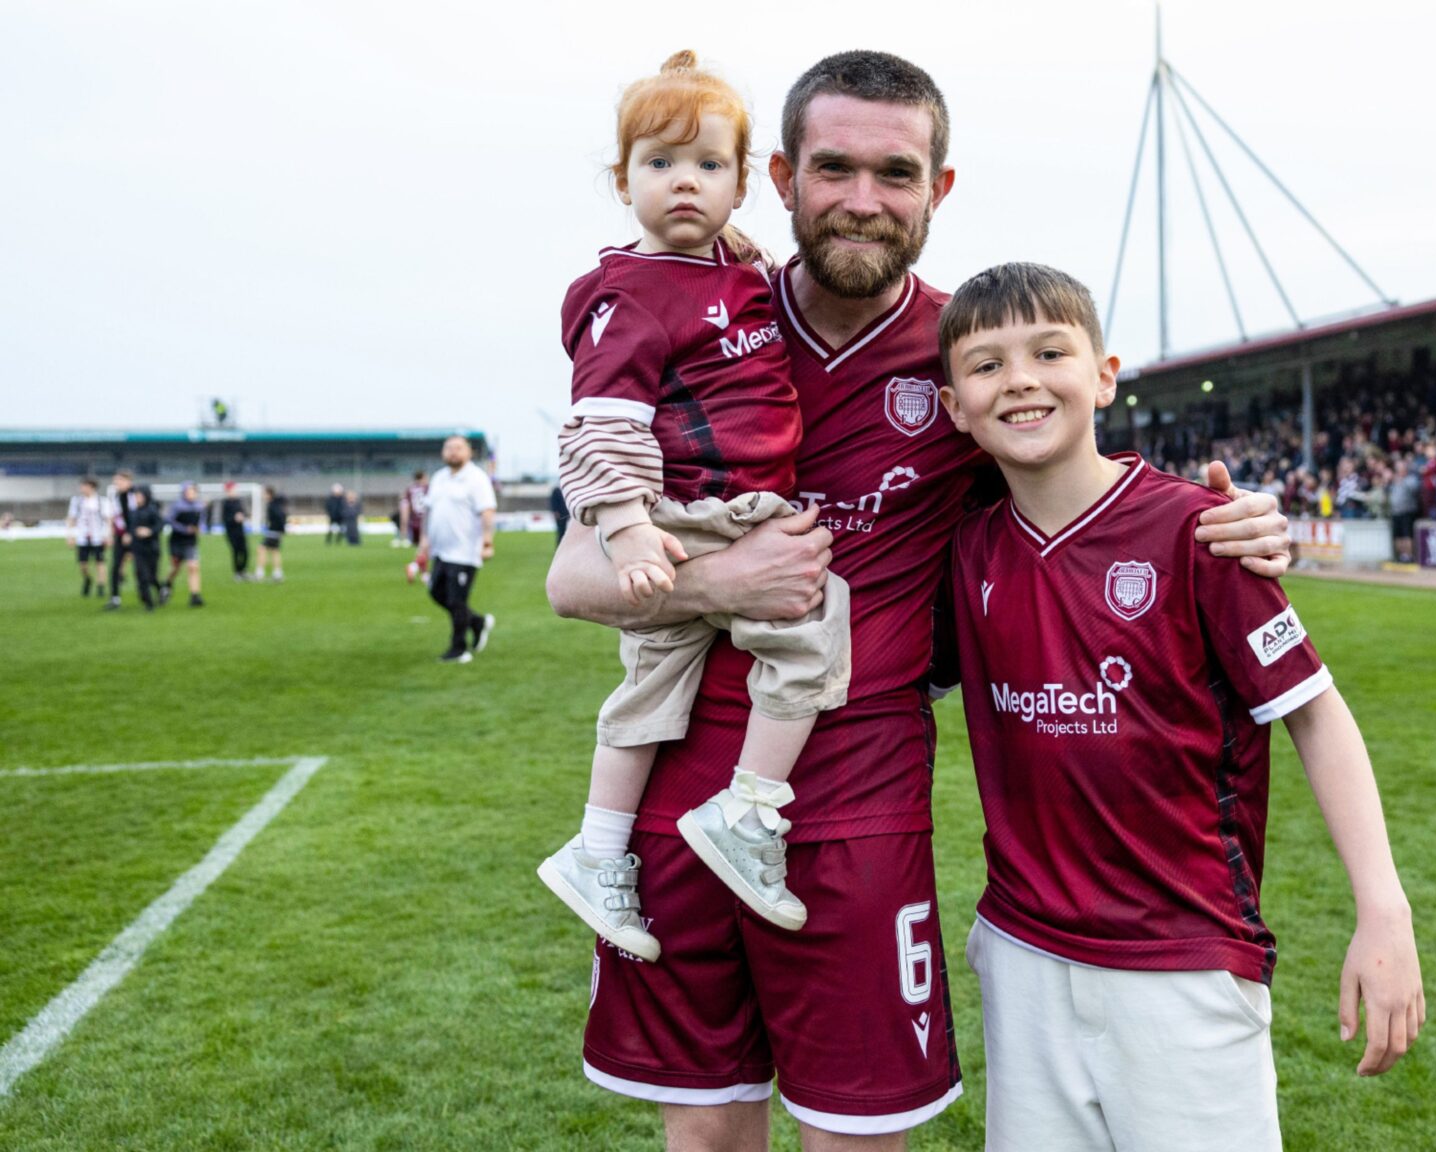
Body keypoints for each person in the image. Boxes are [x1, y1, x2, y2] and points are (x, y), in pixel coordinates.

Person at [545, 51, 1293, 1150]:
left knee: (860, 1132)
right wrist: (720, 580)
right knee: (705, 1133)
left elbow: (1087, 486)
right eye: (833, 168)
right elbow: (572, 577)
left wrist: (1235, 519)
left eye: (893, 173)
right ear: (784, 177)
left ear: (937, 188)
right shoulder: (697, 326)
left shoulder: (966, 359)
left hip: (857, 801)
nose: (861, 200)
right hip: (674, 790)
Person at [933, 262, 1422, 1151]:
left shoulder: (1202, 530)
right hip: (1021, 955)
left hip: (1183, 961)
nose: (1023, 380)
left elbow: (1314, 711)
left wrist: (1384, 910)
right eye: (987, 365)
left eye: (1050, 351)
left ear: (1106, 375)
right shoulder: (967, 550)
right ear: (956, 406)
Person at [538, 51, 851, 961]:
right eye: (661, 163)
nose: (686, 182)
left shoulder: (729, 269)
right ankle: (749, 811)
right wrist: (630, 528)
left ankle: (598, 851)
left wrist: (735, 249)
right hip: (700, 508)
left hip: (715, 507)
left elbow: (722, 276)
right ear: (621, 177)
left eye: (709, 166)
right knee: (810, 616)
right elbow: (601, 425)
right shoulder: (626, 295)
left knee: (652, 687)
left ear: (745, 184)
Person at [422, 435, 497, 663]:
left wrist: (487, 542)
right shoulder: (439, 478)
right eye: (448, 448)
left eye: (458, 448)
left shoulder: (476, 478)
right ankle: (477, 622)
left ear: (469, 452)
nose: (453, 452)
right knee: (436, 592)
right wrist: (424, 541)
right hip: (441, 550)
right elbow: (429, 511)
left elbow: (487, 512)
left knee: (457, 600)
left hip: (465, 551)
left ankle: (458, 649)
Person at [66, 477, 112, 597]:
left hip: (98, 537)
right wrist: (70, 535)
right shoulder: (77, 501)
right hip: (83, 537)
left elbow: (108, 520)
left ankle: (101, 586)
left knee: (100, 562)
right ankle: (88, 579)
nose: (82, 489)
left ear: (92, 487)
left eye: (84, 486)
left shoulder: (102, 501)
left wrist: (108, 535)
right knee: (83, 564)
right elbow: (71, 518)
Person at [164, 481, 207, 607]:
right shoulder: (177, 506)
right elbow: (169, 520)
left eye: (193, 491)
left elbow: (202, 521)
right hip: (177, 540)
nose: (191, 493)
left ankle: (195, 596)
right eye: (189, 491)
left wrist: (200, 528)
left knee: (193, 566)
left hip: (191, 540)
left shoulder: (199, 506)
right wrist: (184, 529)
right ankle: (167, 584)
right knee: (175, 567)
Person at [126, 484, 164, 610]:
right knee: (142, 575)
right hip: (138, 549)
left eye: (139, 495)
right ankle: (149, 603)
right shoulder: (133, 512)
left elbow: (160, 526)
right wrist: (129, 537)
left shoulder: (152, 510)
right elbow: (131, 529)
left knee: (152, 577)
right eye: (135, 495)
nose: (137, 498)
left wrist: (149, 531)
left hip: (152, 548)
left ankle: (161, 590)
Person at [104, 469, 135, 610]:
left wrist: (130, 532)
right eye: (116, 481)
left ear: (128, 481)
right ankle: (115, 598)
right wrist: (110, 534)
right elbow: (114, 517)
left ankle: (157, 590)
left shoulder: (135, 495)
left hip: (136, 536)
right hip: (120, 536)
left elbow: (138, 517)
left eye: (120, 481)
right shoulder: (115, 496)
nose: (117, 483)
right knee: (115, 567)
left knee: (144, 568)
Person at [220, 482, 251, 580]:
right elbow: (225, 519)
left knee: (245, 551)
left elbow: (244, 512)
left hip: (240, 530)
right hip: (231, 531)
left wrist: (244, 515)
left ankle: (243, 570)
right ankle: (237, 573)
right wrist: (234, 518)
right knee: (236, 551)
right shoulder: (225, 503)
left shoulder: (238, 501)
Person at [256, 485, 288, 582]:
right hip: (276, 532)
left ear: (269, 494)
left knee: (261, 549)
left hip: (273, 532)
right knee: (275, 551)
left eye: (264, 493)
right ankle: (277, 572)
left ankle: (260, 572)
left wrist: (280, 528)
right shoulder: (275, 503)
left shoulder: (272, 505)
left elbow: (280, 516)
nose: (262, 495)